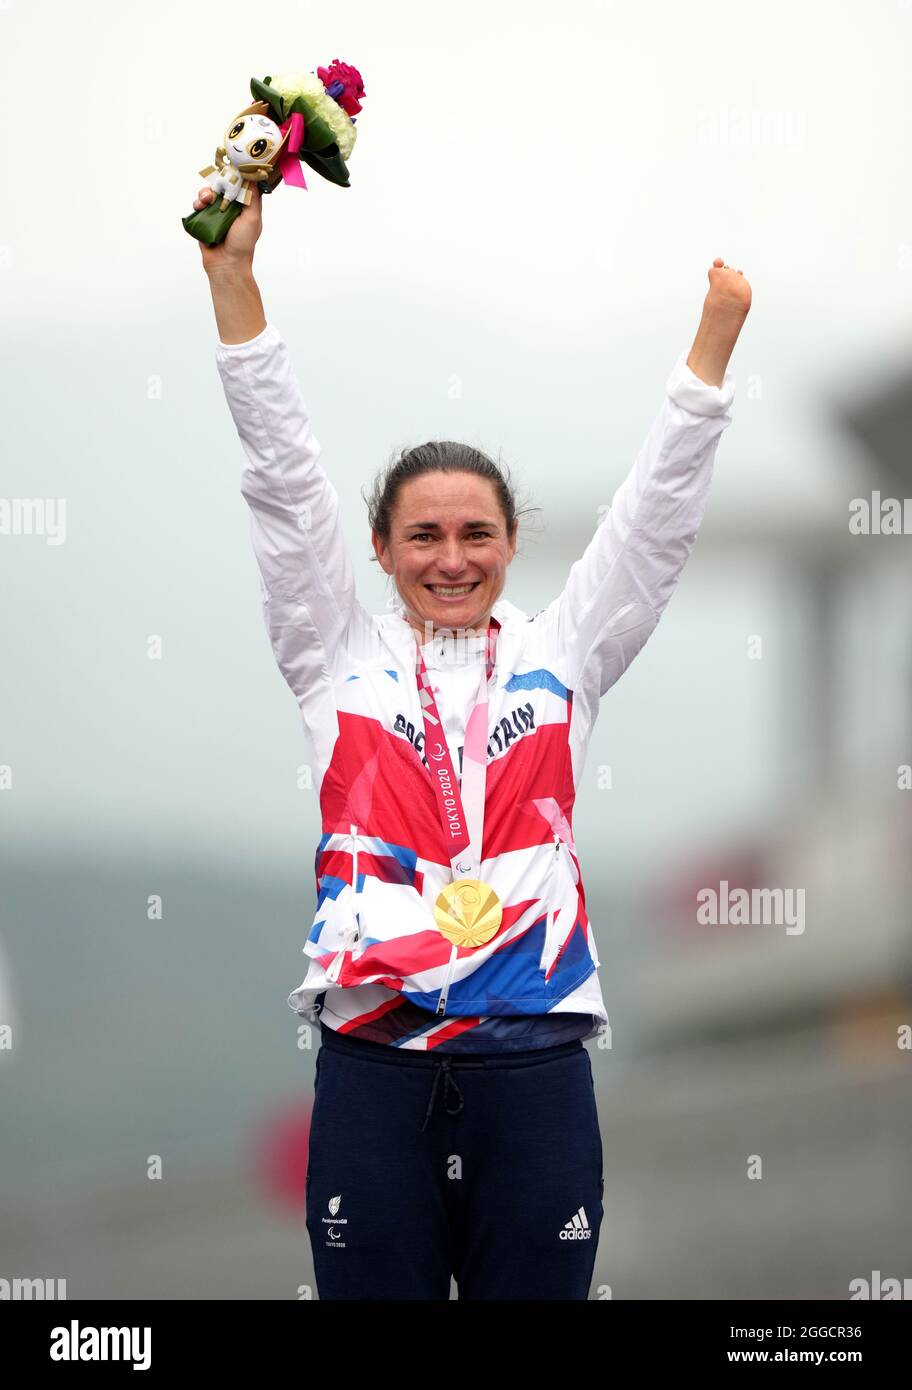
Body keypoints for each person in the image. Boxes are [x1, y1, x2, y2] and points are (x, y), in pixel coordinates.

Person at [193, 181, 751, 1300]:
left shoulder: (567, 652)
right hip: (373, 1065)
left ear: (510, 542)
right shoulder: (331, 653)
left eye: (476, 533)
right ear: (383, 550)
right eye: (424, 535)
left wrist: (711, 349)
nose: (452, 556)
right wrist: (232, 279)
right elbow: (284, 488)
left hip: (533, 1064)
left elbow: (653, 526)